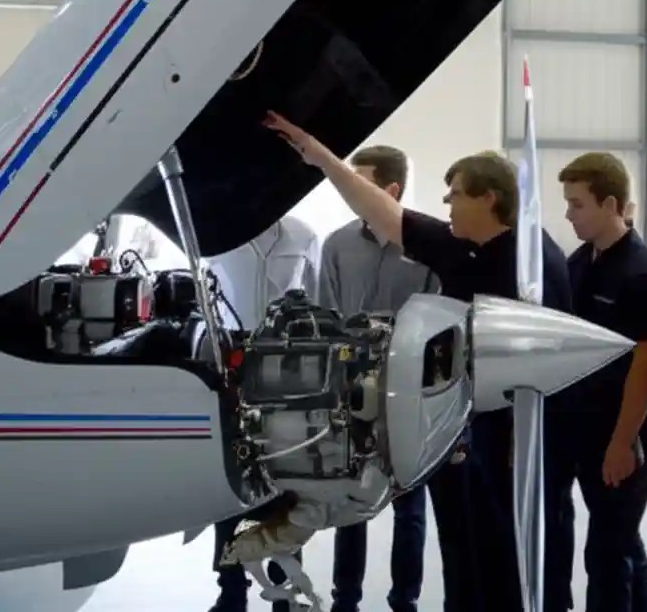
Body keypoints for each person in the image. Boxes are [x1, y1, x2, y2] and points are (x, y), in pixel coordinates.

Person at [263, 110, 573, 612]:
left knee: (513, 559)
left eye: (456, 195)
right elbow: (383, 211)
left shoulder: (535, 264)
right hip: (458, 437)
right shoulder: (459, 249)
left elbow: (546, 360)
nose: (446, 203)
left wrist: (517, 440)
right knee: (462, 554)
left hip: (514, 444)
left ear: (488, 198)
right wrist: (320, 156)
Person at [318, 145, 438, 612]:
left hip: (409, 396)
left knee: (410, 506)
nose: (349, 191)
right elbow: (324, 319)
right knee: (351, 501)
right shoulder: (336, 245)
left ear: (390, 189)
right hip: (350, 394)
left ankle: (403, 601)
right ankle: (345, 600)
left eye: (360, 182)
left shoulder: (428, 246)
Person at [555, 153, 647, 612]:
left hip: (627, 431)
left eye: (577, 204)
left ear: (610, 204)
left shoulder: (643, 275)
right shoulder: (580, 262)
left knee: (604, 553)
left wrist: (622, 443)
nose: (568, 213)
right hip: (585, 427)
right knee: (620, 542)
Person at [205, 215, 321, 612]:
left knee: (284, 482)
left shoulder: (304, 237)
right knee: (229, 483)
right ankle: (231, 590)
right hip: (231, 365)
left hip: (286, 367)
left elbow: (318, 302)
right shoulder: (218, 236)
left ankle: (285, 588)